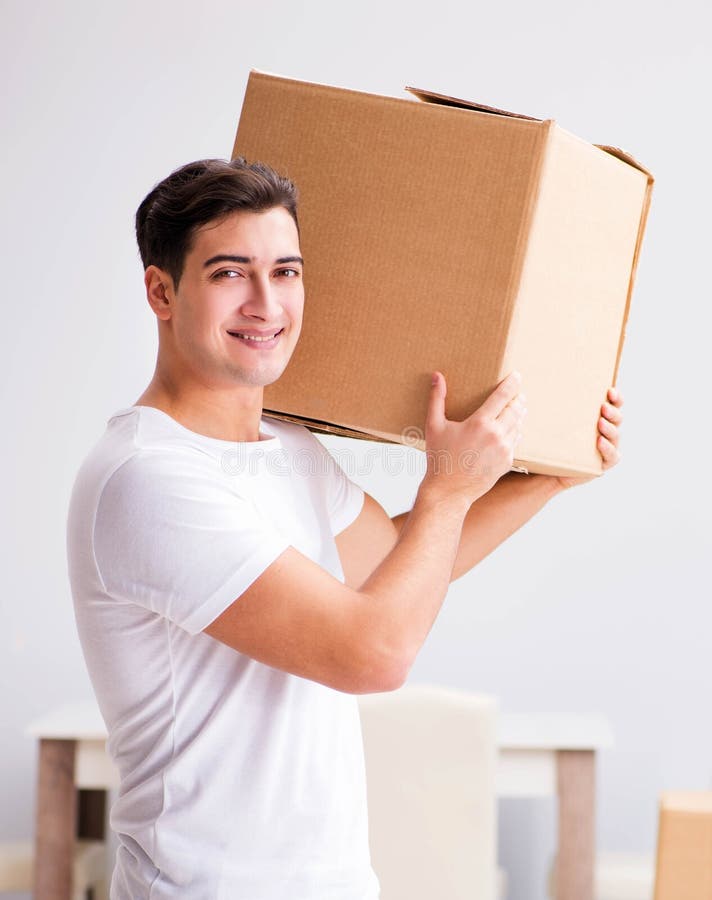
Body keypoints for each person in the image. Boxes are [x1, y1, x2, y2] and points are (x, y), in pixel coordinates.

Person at [66, 157, 624, 899]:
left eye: (287, 272)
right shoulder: (147, 479)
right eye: (231, 273)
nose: (267, 303)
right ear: (161, 291)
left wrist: (552, 474)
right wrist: (447, 487)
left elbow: (397, 565)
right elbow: (374, 652)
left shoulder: (290, 453)